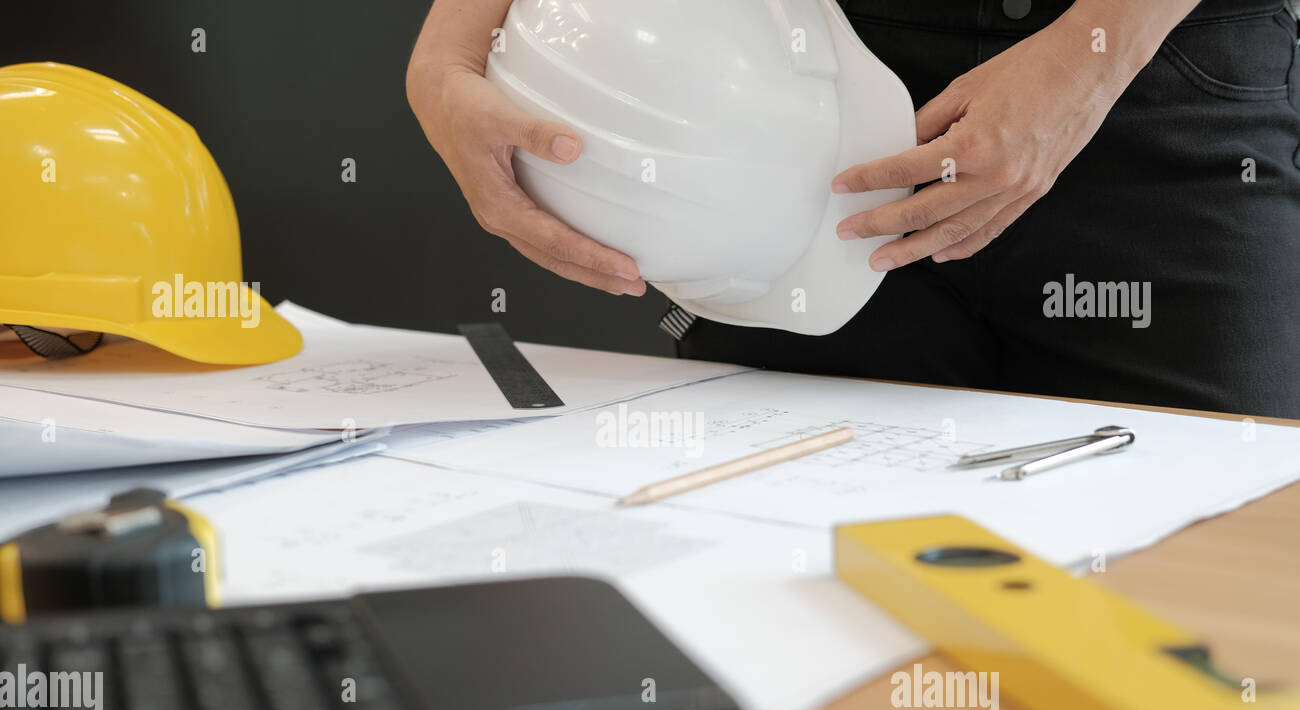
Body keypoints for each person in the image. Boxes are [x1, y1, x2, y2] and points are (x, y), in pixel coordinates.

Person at [407, 0, 1300, 417]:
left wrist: (1091, 54)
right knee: (789, 588)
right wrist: (456, 38)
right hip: (789, 88)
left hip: (1160, 70)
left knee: (1203, 606)